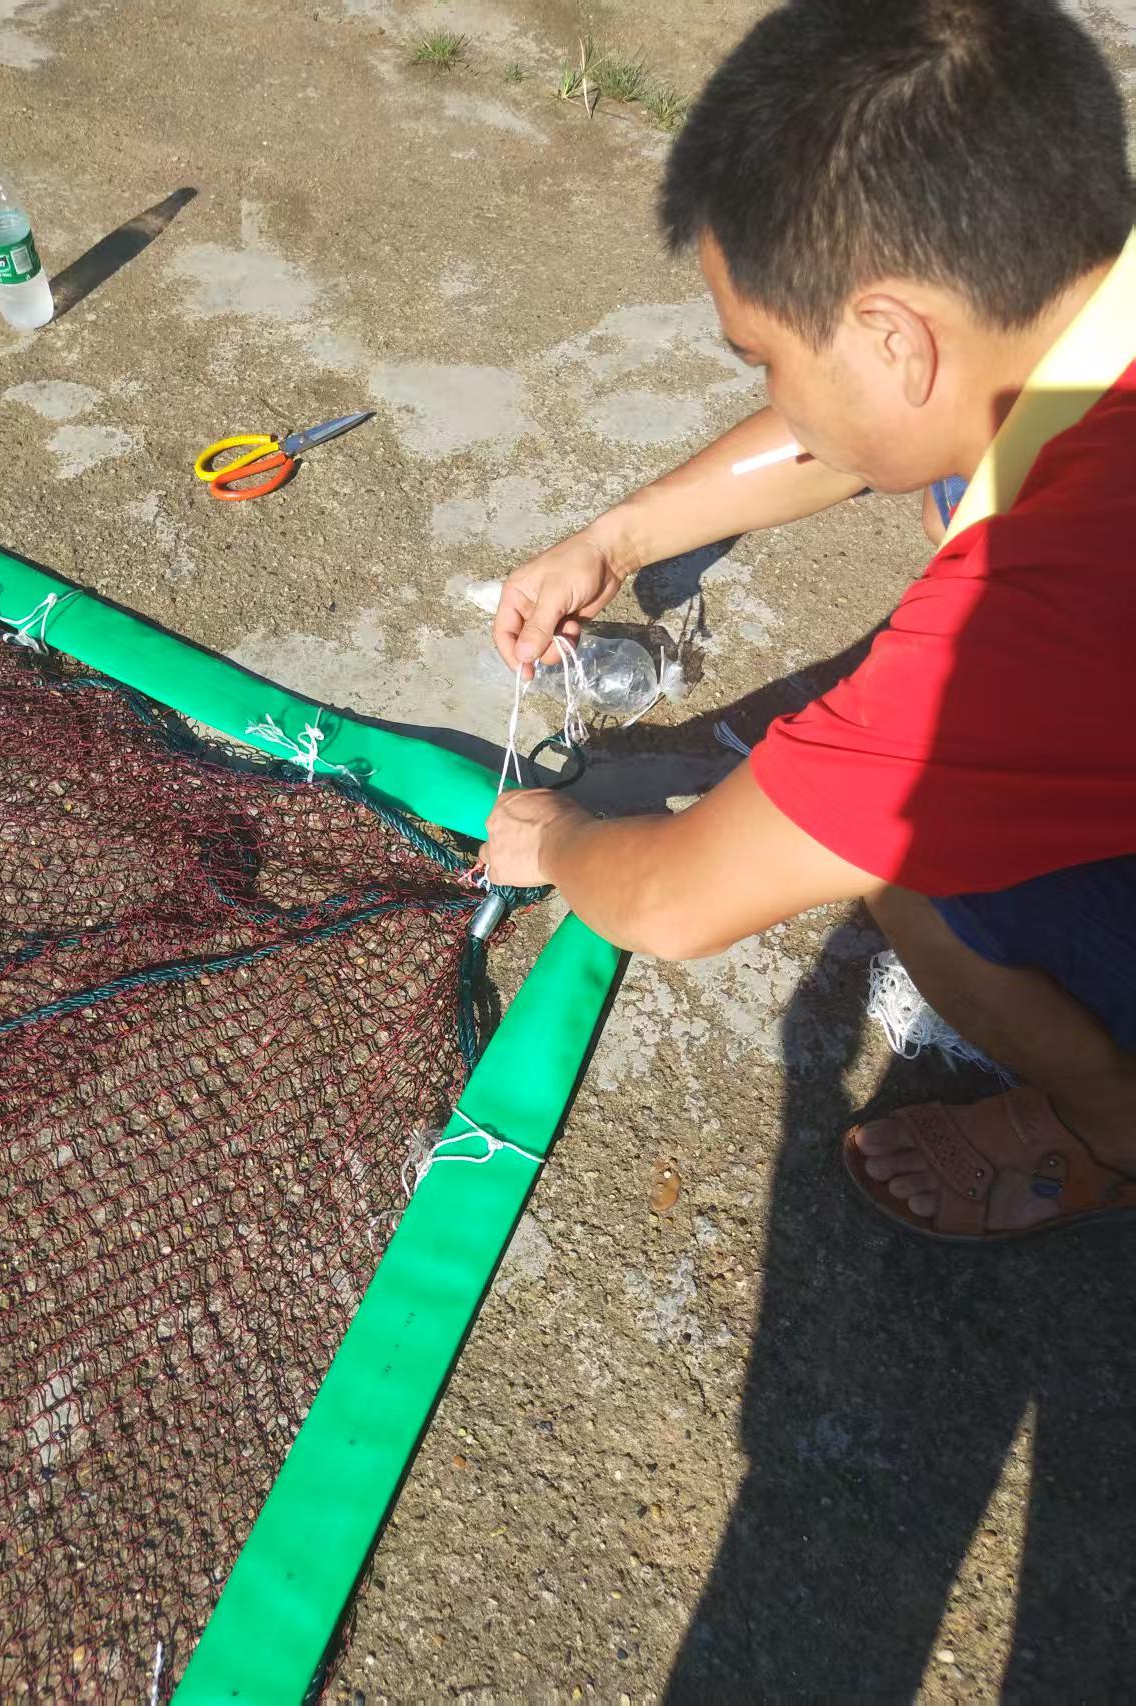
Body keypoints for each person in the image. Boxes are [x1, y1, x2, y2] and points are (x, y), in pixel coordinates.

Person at [481, 0, 1136, 1242]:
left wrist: (558, 838)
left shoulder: (1032, 607)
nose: (775, 396)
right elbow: (857, 433)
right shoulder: (1077, 310)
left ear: (891, 334)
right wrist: (613, 539)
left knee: (901, 852)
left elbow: (676, 898)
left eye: (765, 359)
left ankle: (1113, 1128)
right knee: (941, 461)